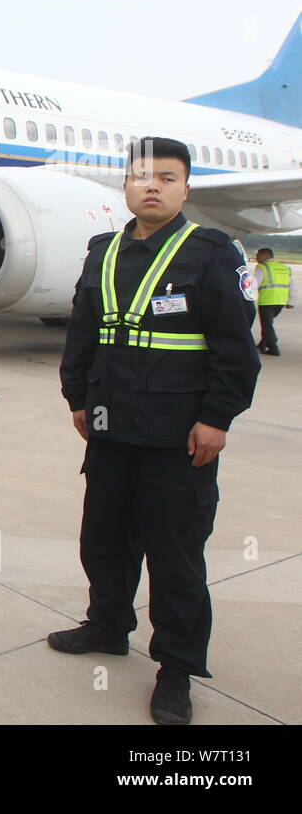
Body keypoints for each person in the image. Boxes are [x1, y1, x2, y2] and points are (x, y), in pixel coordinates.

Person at [55, 137, 260, 725]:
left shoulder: (212, 253)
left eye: (168, 179)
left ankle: (176, 668)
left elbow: (234, 349)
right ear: (125, 185)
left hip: (179, 437)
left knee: (174, 557)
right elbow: (84, 334)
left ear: (186, 188)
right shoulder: (104, 251)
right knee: (104, 539)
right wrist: (77, 398)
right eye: (142, 177)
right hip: (111, 429)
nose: (153, 186)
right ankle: (107, 625)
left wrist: (218, 417)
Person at [253, 247, 295, 356]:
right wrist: (291, 301)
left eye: (258, 256)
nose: (256, 258)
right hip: (280, 301)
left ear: (266, 255)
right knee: (268, 324)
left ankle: (273, 348)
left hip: (267, 301)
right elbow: (292, 286)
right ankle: (263, 344)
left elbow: (254, 284)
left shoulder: (262, 267)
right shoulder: (285, 268)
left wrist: (248, 298)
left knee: (267, 325)